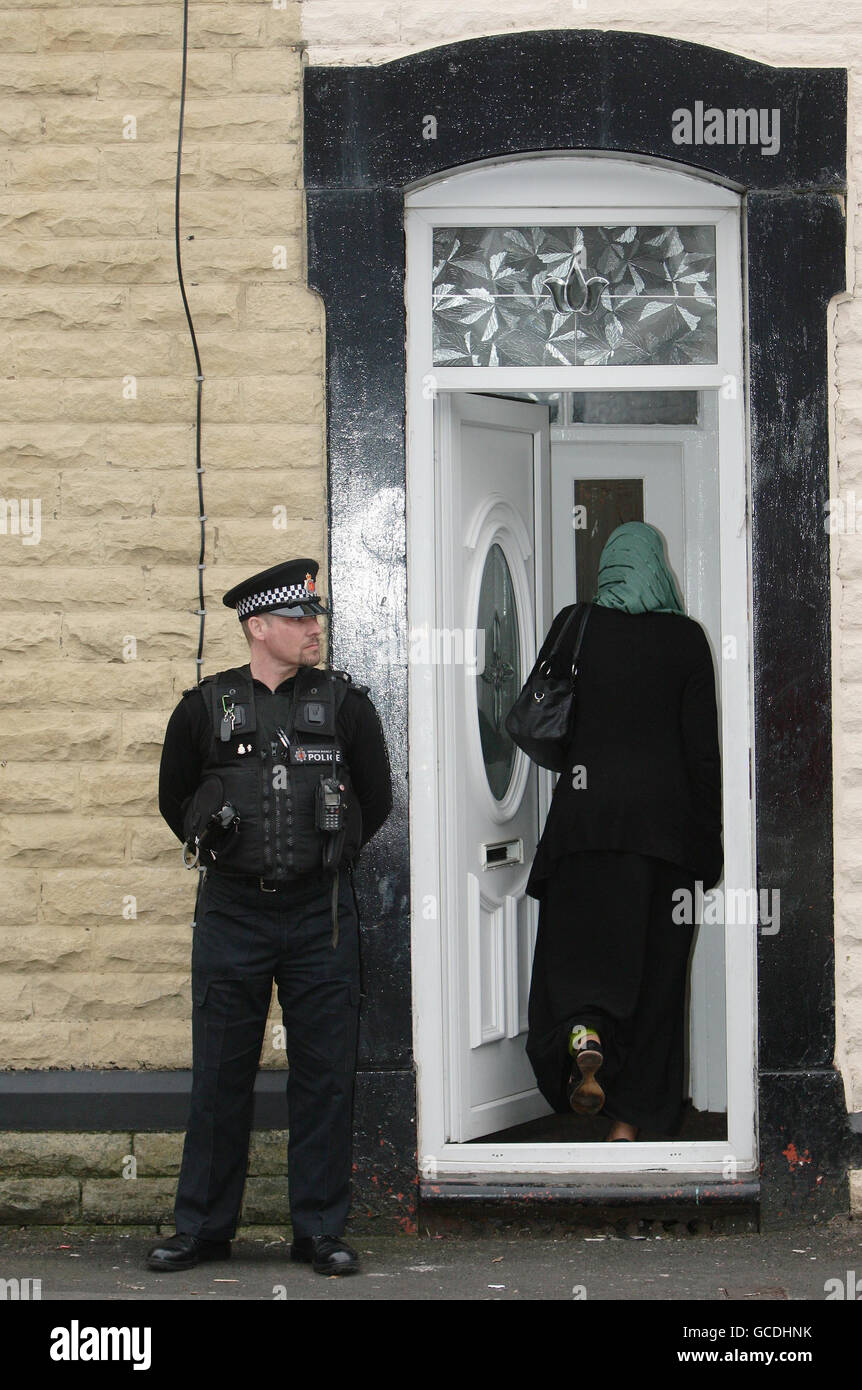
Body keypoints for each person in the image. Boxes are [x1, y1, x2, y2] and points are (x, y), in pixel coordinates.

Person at [147, 558, 392, 1276]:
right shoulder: (205, 707)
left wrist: (322, 855)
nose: (313, 629)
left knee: (323, 1075)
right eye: (298, 619)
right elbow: (174, 800)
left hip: (322, 917)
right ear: (259, 627)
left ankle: (318, 1230)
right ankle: (202, 1229)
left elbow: (374, 801)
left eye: (314, 618)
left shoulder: (345, 705)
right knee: (220, 1075)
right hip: (231, 914)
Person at [524, 522, 723, 1142]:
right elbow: (702, 758)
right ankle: (633, 1123)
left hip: (581, 835)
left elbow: (540, 721)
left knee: (576, 963)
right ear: (657, 568)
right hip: (663, 843)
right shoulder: (686, 641)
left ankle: (584, 1036)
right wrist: (708, 848)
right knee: (657, 981)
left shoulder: (575, 625)